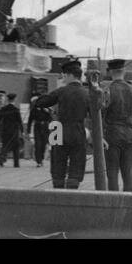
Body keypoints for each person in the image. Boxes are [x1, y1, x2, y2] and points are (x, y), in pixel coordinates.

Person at [35, 61, 93, 189]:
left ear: (69, 75)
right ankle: (72, 192)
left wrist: (37, 98)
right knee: (77, 164)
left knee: (57, 165)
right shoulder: (86, 93)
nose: (63, 79)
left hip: (58, 130)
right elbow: (95, 113)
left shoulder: (61, 91)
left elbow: (40, 103)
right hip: (78, 130)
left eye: (64, 76)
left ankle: (58, 192)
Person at [101, 58, 132, 192]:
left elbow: (101, 111)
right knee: (128, 175)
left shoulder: (108, 90)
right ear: (124, 71)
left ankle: (114, 206)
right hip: (130, 134)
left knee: (112, 174)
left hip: (113, 135)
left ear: (110, 72)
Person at [0, 92, 24, 167]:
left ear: (8, 100)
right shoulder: (16, 110)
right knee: (16, 146)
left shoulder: (3, 109)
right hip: (14, 131)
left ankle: (2, 158)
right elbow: (19, 121)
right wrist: (22, 131)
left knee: (5, 145)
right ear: (14, 99)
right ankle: (16, 163)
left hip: (5, 130)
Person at [28, 94, 52, 167]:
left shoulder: (45, 109)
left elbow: (51, 119)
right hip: (37, 127)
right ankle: (39, 161)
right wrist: (28, 131)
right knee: (38, 144)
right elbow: (30, 121)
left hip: (45, 127)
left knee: (43, 144)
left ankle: (41, 158)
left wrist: (48, 111)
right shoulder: (33, 110)